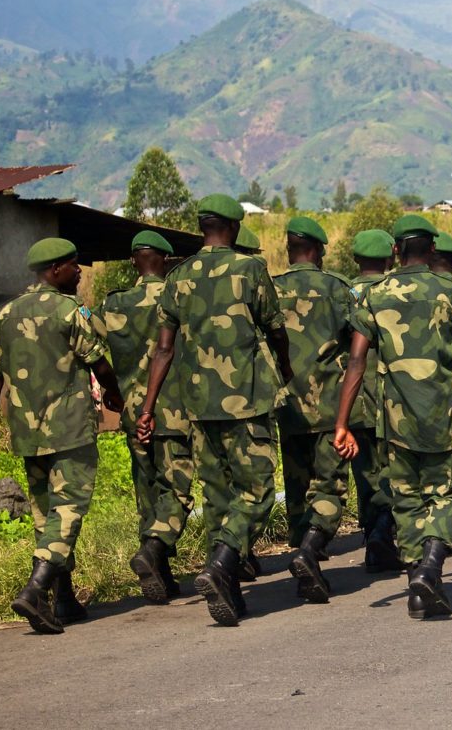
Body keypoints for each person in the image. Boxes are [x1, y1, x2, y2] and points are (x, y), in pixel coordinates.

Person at [137, 195, 294, 627]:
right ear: (235, 227)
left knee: (219, 497)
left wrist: (148, 408)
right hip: (245, 400)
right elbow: (275, 328)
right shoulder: (250, 269)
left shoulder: (180, 275)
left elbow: (163, 350)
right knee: (258, 493)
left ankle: (228, 589)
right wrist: (286, 369)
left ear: (203, 228)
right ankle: (223, 564)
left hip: (198, 406)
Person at [0, 237, 123, 634]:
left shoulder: (6, 314)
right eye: (75, 266)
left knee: (45, 515)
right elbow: (98, 362)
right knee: (69, 508)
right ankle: (36, 590)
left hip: (27, 433)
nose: (79, 273)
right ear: (55, 270)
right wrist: (113, 392)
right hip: (69, 429)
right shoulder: (68, 310)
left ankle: (65, 598)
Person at [333, 214, 452, 620]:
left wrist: (342, 422)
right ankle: (430, 566)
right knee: (446, 494)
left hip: (395, 417)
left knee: (407, 498)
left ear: (395, 250)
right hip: (443, 411)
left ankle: (416, 583)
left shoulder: (376, 295)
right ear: (431, 249)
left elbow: (356, 361)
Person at [98, 231, 195, 605]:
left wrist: (113, 392)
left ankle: (160, 574)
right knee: (178, 488)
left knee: (147, 492)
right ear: (166, 261)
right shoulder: (178, 299)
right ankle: (154, 550)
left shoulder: (113, 304)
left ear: (134, 261)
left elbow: (95, 351)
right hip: (173, 410)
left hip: (132, 411)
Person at [274, 216, 360, 604]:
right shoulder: (337, 289)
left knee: (296, 489)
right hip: (330, 408)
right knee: (329, 485)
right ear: (320, 251)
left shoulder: (272, 291)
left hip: (287, 407)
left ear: (290, 250)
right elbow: (359, 342)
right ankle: (309, 552)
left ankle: (302, 559)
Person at [346, 229, 399, 573]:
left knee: (364, 472)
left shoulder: (343, 293)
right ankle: (384, 532)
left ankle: (372, 532)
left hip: (353, 398)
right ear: (391, 255)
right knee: (393, 470)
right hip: (390, 396)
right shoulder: (391, 292)